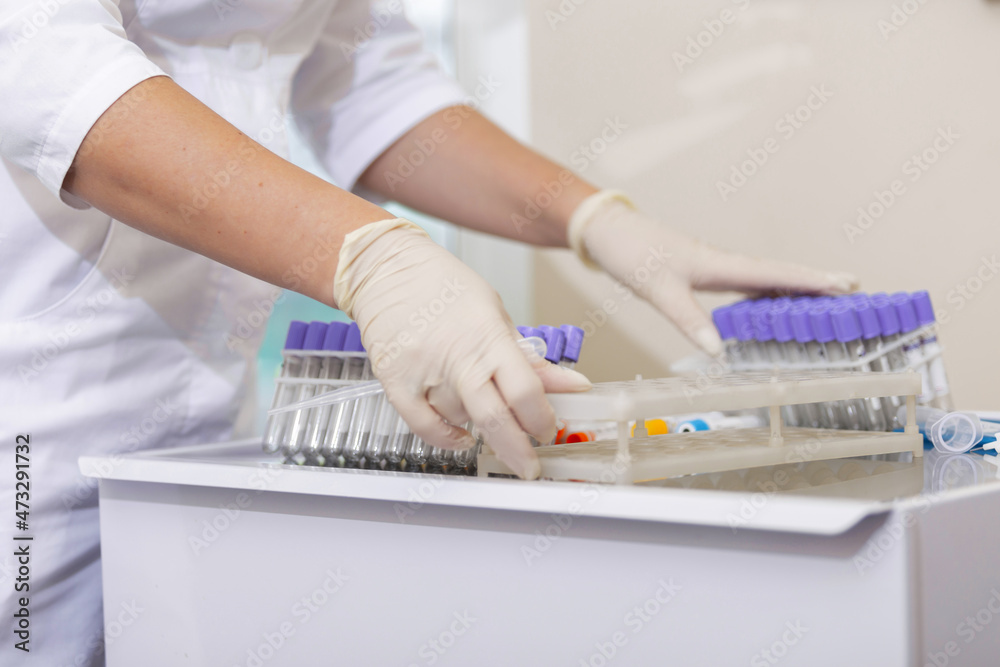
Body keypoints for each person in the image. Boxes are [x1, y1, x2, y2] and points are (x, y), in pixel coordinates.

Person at [0, 1, 856, 663]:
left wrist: (592, 218)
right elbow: (43, 59)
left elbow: (369, 83)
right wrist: (369, 256)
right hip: (34, 401)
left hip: (191, 405)